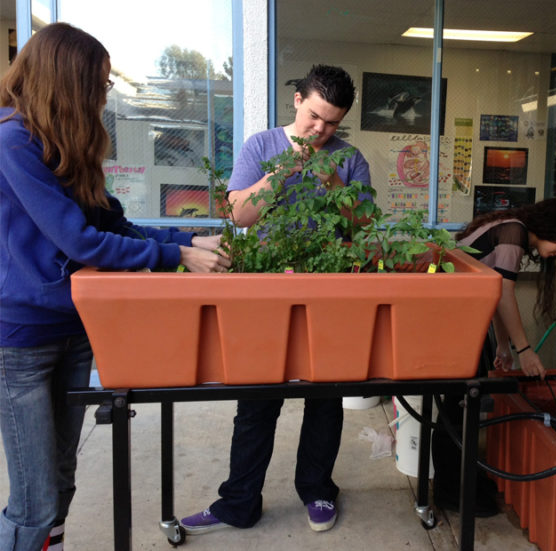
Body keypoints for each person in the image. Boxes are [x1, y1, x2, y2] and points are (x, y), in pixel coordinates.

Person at [0, 23, 230, 551]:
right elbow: (80, 242)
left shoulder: (64, 142)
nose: (105, 95)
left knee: (60, 483)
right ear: (68, 82)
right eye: (99, 84)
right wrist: (177, 256)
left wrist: (192, 238)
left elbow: (113, 227)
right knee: (33, 502)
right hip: (21, 341)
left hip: (74, 327)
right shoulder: (13, 141)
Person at [180, 65, 370, 535]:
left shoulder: (349, 158)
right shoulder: (260, 147)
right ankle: (239, 501)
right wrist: (285, 168)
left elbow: (362, 223)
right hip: (264, 293)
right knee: (257, 399)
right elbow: (240, 214)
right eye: (314, 117)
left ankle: (318, 489)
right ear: (297, 101)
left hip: (330, 293)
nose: (321, 130)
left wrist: (330, 182)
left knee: (325, 398)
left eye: (332, 123)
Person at [432, 198, 556, 515]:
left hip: (457, 320)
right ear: (552, 228)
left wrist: (502, 345)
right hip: (449, 324)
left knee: (462, 407)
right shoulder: (514, 232)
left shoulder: (511, 228)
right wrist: (524, 350)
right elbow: (503, 293)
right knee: (455, 409)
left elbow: (493, 293)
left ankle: (464, 478)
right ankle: (449, 491)